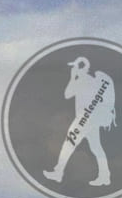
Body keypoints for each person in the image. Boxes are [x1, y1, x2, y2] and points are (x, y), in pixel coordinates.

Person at [44, 54, 117, 190]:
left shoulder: (81, 81)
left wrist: (73, 78)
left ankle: (58, 173)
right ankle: (105, 176)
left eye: (75, 67)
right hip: (92, 120)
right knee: (96, 148)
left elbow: (67, 94)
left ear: (80, 68)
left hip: (83, 119)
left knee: (68, 144)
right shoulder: (93, 81)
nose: (74, 69)